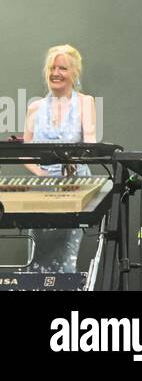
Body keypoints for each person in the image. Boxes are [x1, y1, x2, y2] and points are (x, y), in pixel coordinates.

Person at [23, 45, 97, 273]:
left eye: (62, 68)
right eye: (52, 68)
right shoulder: (35, 107)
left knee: (65, 259)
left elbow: (91, 145)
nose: (56, 73)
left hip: (74, 187)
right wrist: (40, 173)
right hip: (42, 189)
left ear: (74, 74)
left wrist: (75, 160)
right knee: (38, 258)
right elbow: (25, 152)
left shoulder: (85, 102)